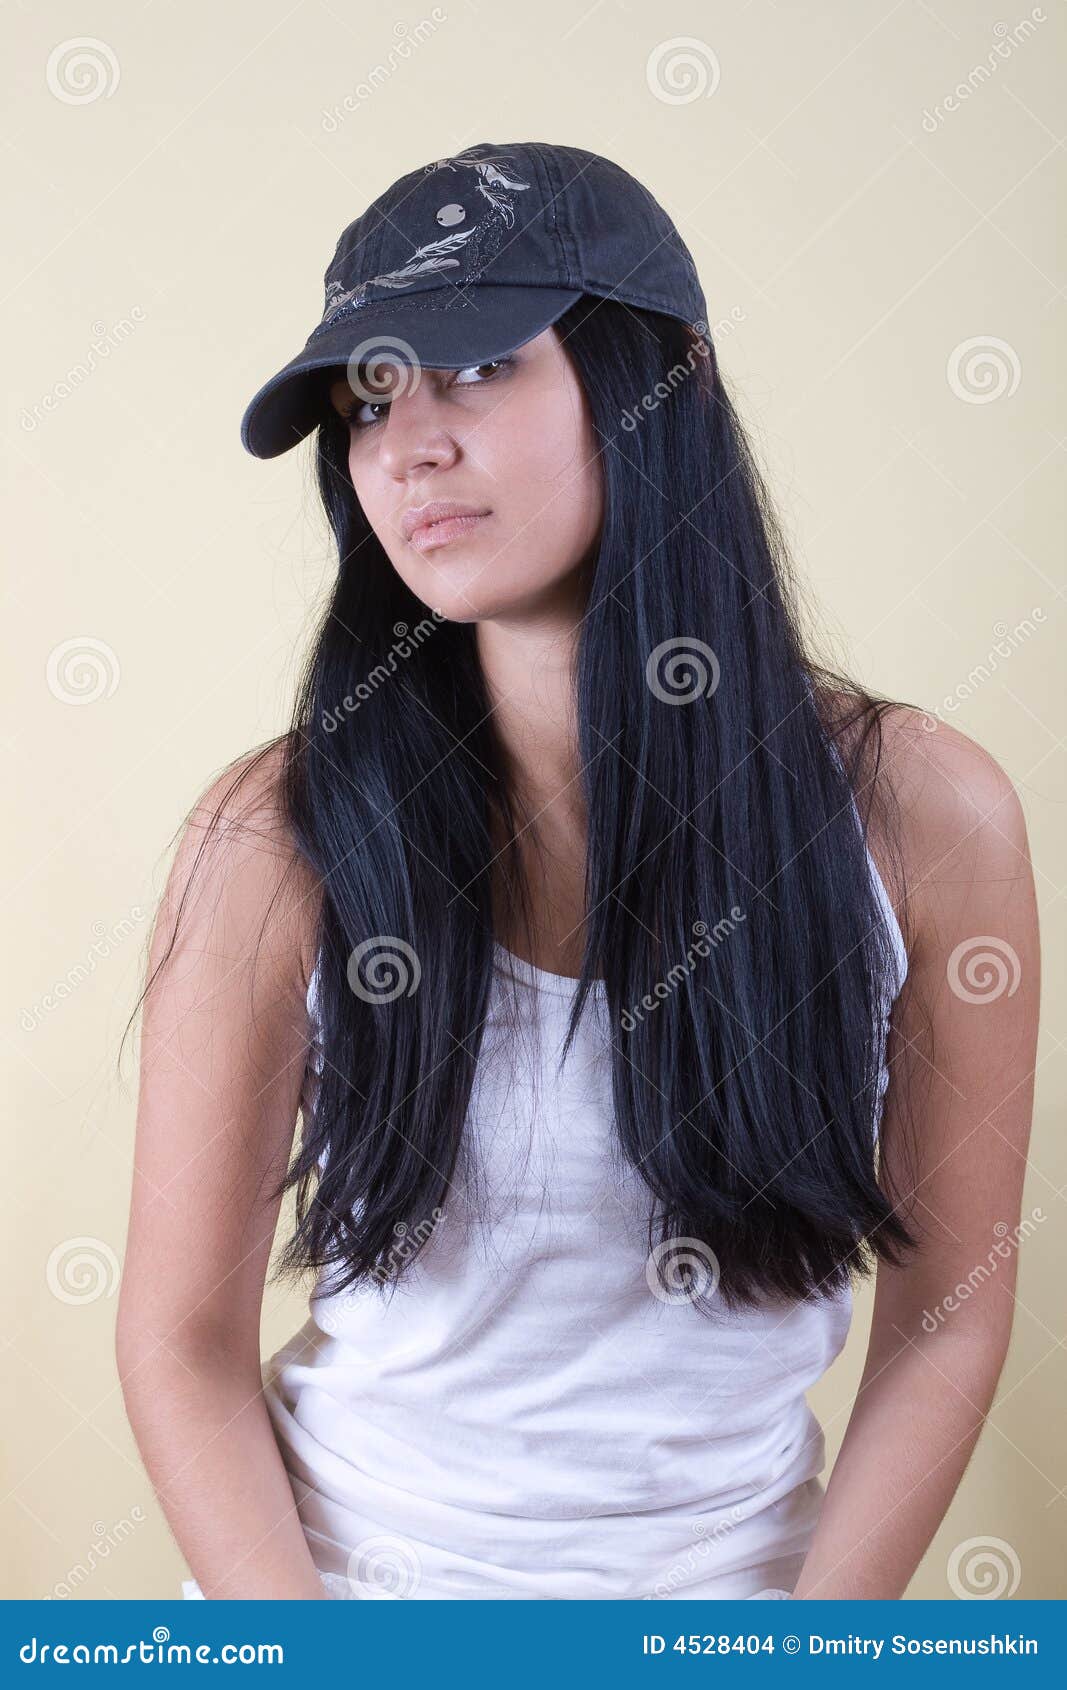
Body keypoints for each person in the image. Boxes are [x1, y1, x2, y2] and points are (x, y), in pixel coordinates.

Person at [115, 141, 1039, 1602]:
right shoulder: (271, 837)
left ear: (669, 380)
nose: (408, 441)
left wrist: (809, 1654)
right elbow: (177, 1344)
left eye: (477, 365)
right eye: (369, 393)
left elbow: (947, 1315)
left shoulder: (927, 816)